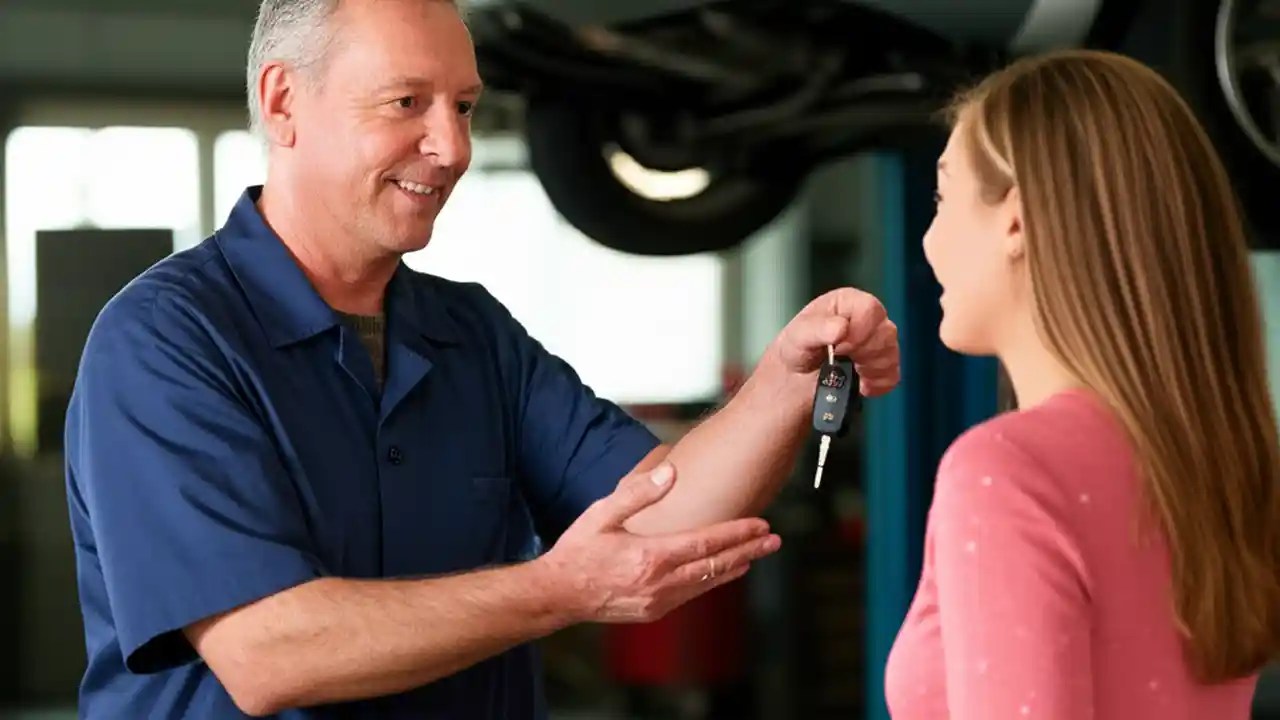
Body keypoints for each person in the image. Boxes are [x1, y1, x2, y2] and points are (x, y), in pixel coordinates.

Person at [62, 0, 901, 718]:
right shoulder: (165, 344)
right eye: (406, 102)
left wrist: (784, 380)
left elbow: (663, 518)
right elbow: (269, 653)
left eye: (462, 106)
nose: (452, 146)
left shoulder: (471, 334)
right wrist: (558, 589)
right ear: (284, 102)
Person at [884, 48, 1280, 719]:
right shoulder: (1220, 462)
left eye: (943, 196)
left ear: (1016, 220)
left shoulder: (1006, 472)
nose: (930, 240)